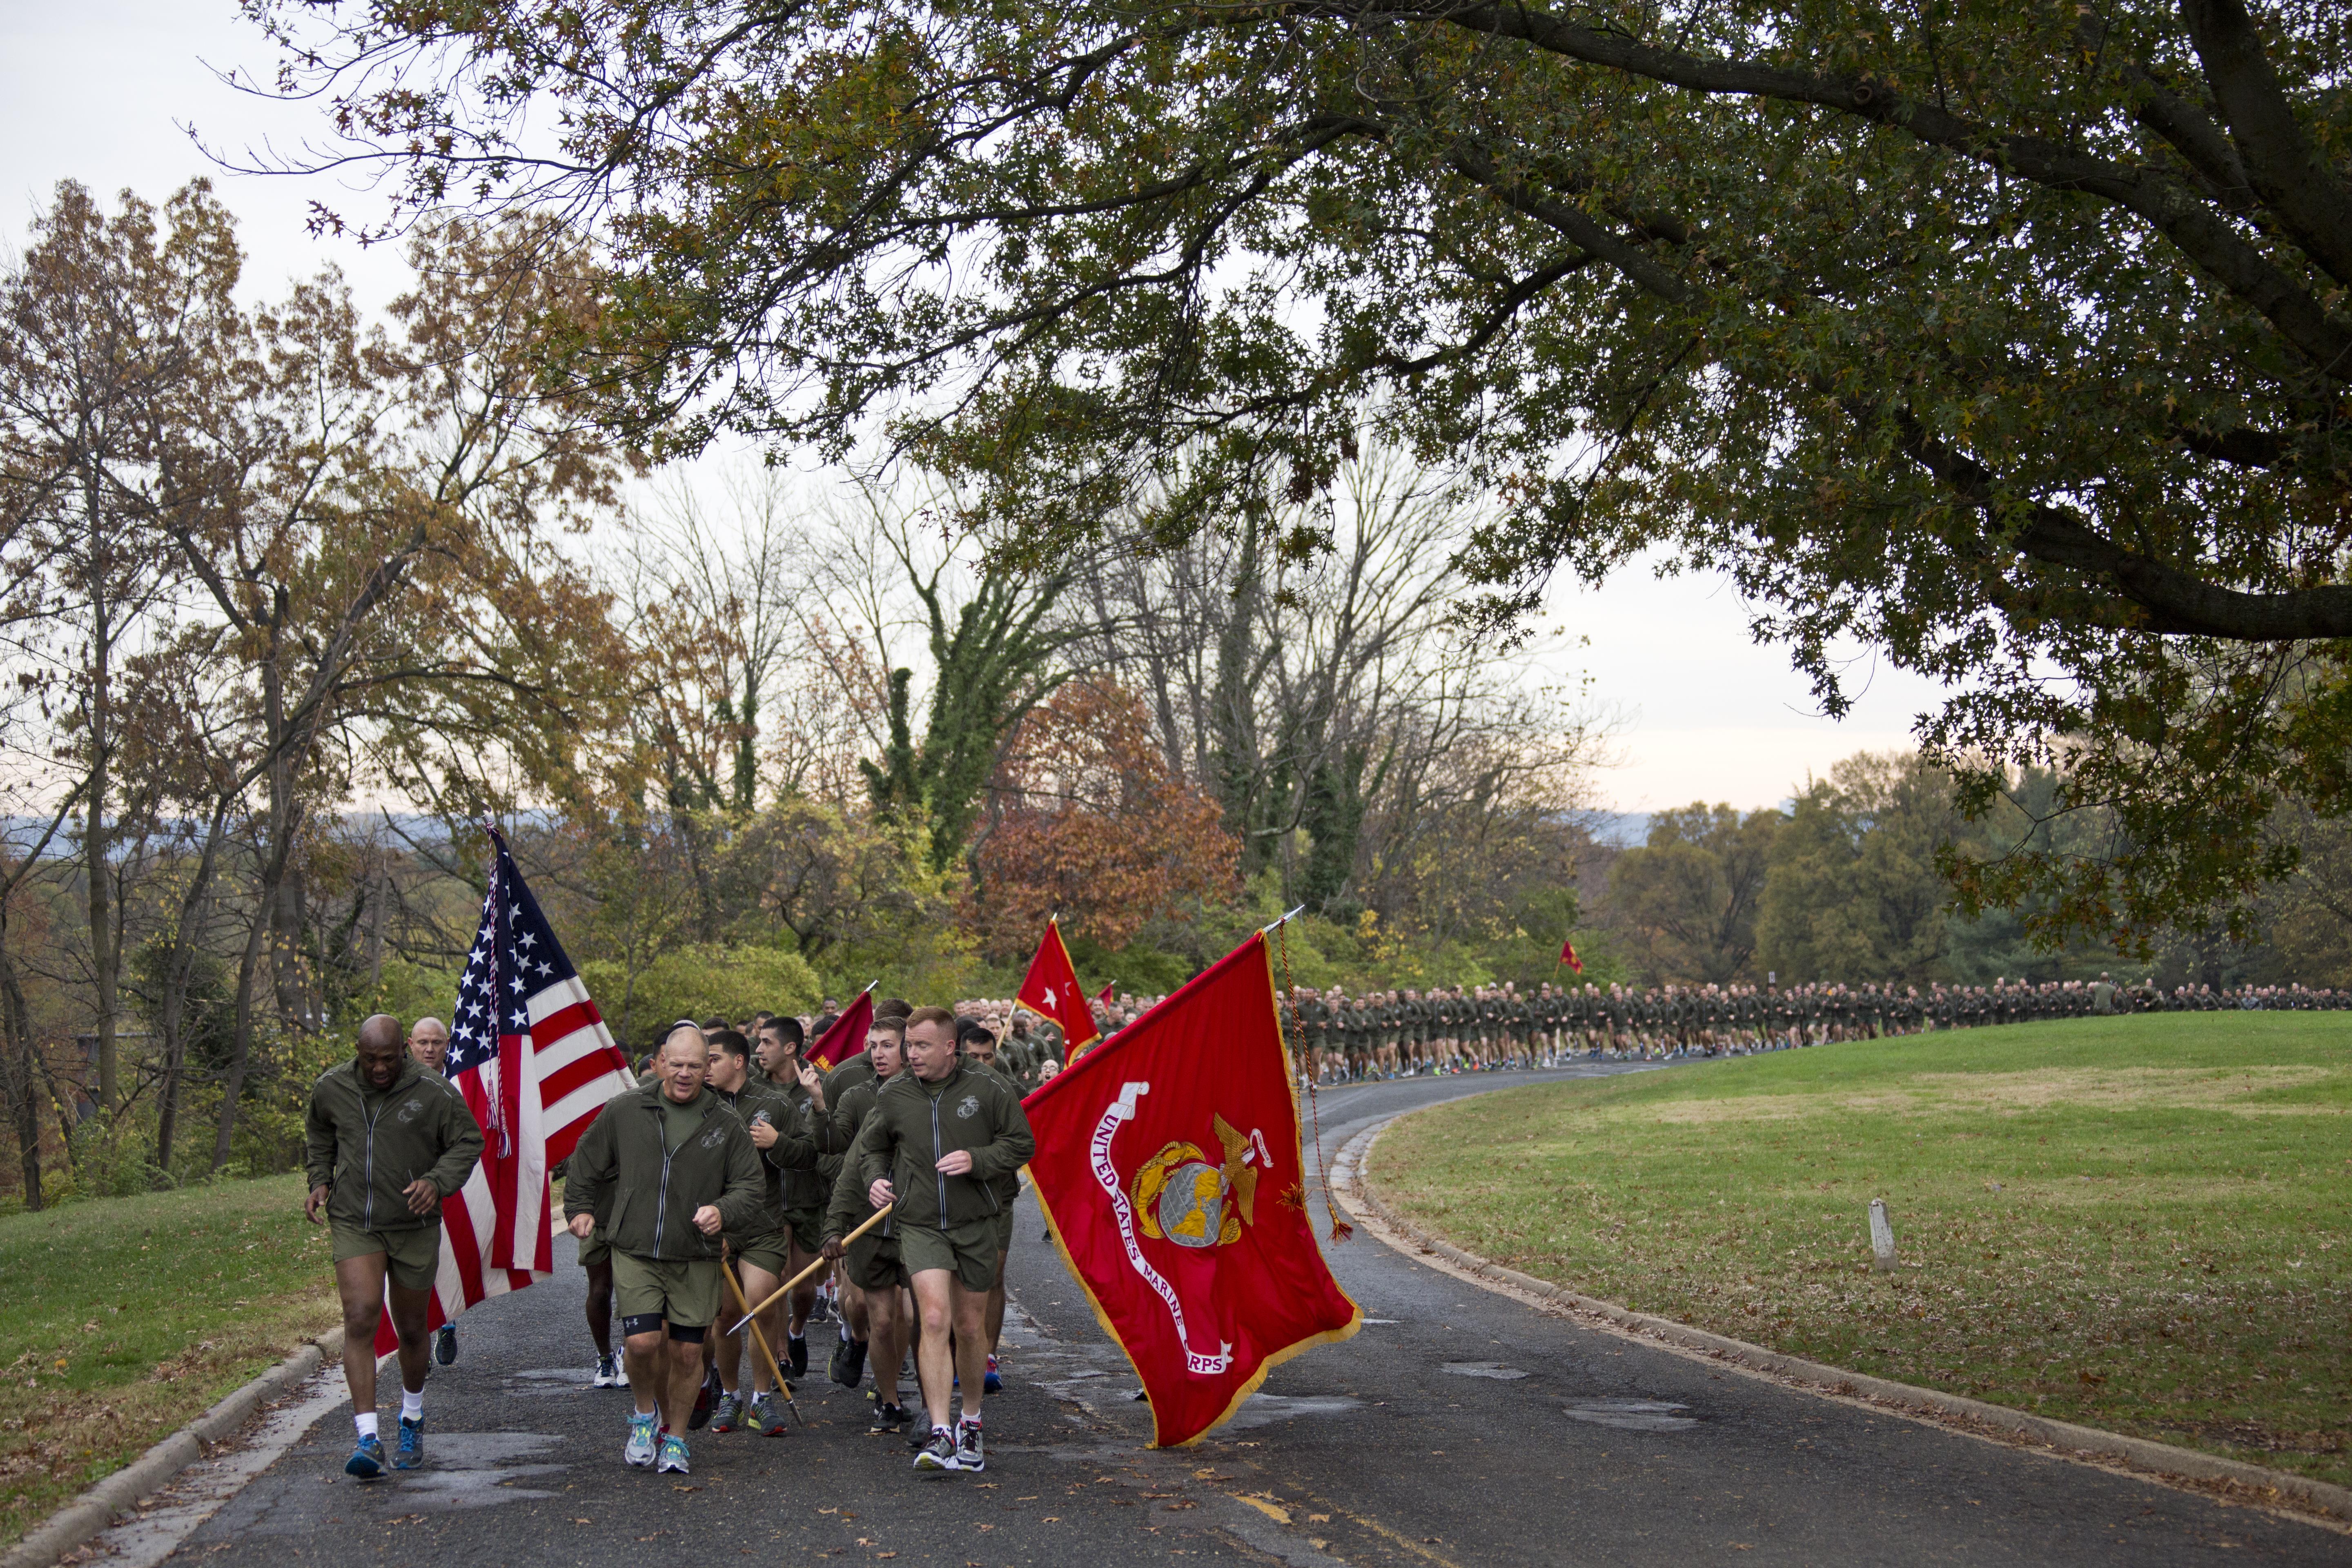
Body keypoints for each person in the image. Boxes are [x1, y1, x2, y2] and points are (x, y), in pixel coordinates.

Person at [564, 1023, 766, 1475]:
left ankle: (675, 1439)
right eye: (676, 1065)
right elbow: (586, 1163)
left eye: (696, 1066)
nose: (685, 1074)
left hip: (695, 1253)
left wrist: (722, 1211)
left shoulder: (725, 1122)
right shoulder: (625, 1110)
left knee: (689, 1353)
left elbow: (751, 1189)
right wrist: (578, 1209)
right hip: (635, 1248)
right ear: (658, 1064)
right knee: (641, 1343)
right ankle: (643, 1417)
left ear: (708, 1068)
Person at [844, 1005, 1033, 1472]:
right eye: (909, 1045)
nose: (912, 1054)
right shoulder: (895, 1093)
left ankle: (971, 1422)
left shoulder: (989, 1088)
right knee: (932, 1317)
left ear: (951, 1047)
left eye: (922, 1046)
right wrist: (875, 1179)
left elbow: (1021, 1143)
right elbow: (872, 1147)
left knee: (968, 1327)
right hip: (921, 1222)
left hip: (975, 1222)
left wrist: (978, 1159)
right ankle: (940, 1430)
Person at [305, 1014, 483, 1479]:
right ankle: (367, 1436)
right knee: (361, 1316)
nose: (380, 1069)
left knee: (410, 1329)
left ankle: (411, 1416)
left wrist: (437, 1181)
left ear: (403, 1050)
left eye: (388, 1059)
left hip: (412, 1223)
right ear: (357, 1053)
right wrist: (320, 1179)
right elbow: (320, 1132)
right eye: (370, 1060)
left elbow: (468, 1141)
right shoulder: (332, 1088)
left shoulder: (433, 1091)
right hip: (355, 1221)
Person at [703, 1028, 807, 1436]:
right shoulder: (698, 1106)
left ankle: (762, 1399)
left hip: (764, 1226)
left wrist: (778, 1143)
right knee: (727, 1314)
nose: (704, 1067)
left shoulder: (774, 1105)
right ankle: (730, 1395)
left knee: (761, 1302)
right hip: (718, 1227)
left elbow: (808, 1156)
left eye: (712, 1059)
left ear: (738, 1061)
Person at [820, 1017, 917, 1434]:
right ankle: (889, 1399)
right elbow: (849, 1165)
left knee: (918, 1319)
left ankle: (934, 1408)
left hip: (921, 1227)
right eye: (873, 1045)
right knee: (879, 1319)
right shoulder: (867, 1099)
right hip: (871, 1227)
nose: (879, 1053)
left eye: (888, 1046)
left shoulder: (935, 1100)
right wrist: (833, 1226)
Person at [401, 1016, 463, 1369]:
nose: (429, 1049)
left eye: (437, 1043)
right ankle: (418, 1338)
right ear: (410, 1044)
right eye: (423, 1042)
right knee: (413, 1269)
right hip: (408, 1188)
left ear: (447, 1044)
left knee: (446, 1261)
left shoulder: (461, 1084)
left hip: (450, 1188)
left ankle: (447, 1323)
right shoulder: (398, 1083)